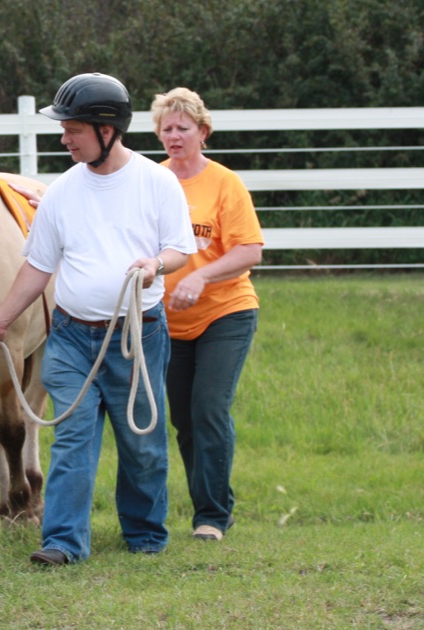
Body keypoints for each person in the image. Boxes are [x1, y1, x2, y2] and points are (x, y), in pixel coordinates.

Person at [0, 73, 196, 565]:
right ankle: (62, 542)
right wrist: (0, 320)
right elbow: (38, 266)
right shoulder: (61, 193)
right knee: (72, 439)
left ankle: (144, 533)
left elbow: (180, 248)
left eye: (72, 128)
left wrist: (155, 265)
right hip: (72, 338)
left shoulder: (155, 182)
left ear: (106, 129)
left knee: (141, 444)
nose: (63, 137)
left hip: (137, 336)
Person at [151, 87, 264, 542]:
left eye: (183, 128)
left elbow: (250, 250)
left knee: (209, 409)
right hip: (167, 322)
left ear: (203, 132)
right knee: (183, 419)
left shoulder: (224, 183)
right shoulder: (151, 180)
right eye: (166, 128)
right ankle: (209, 505)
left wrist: (201, 277)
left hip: (225, 313)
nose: (174, 136)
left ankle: (212, 517)